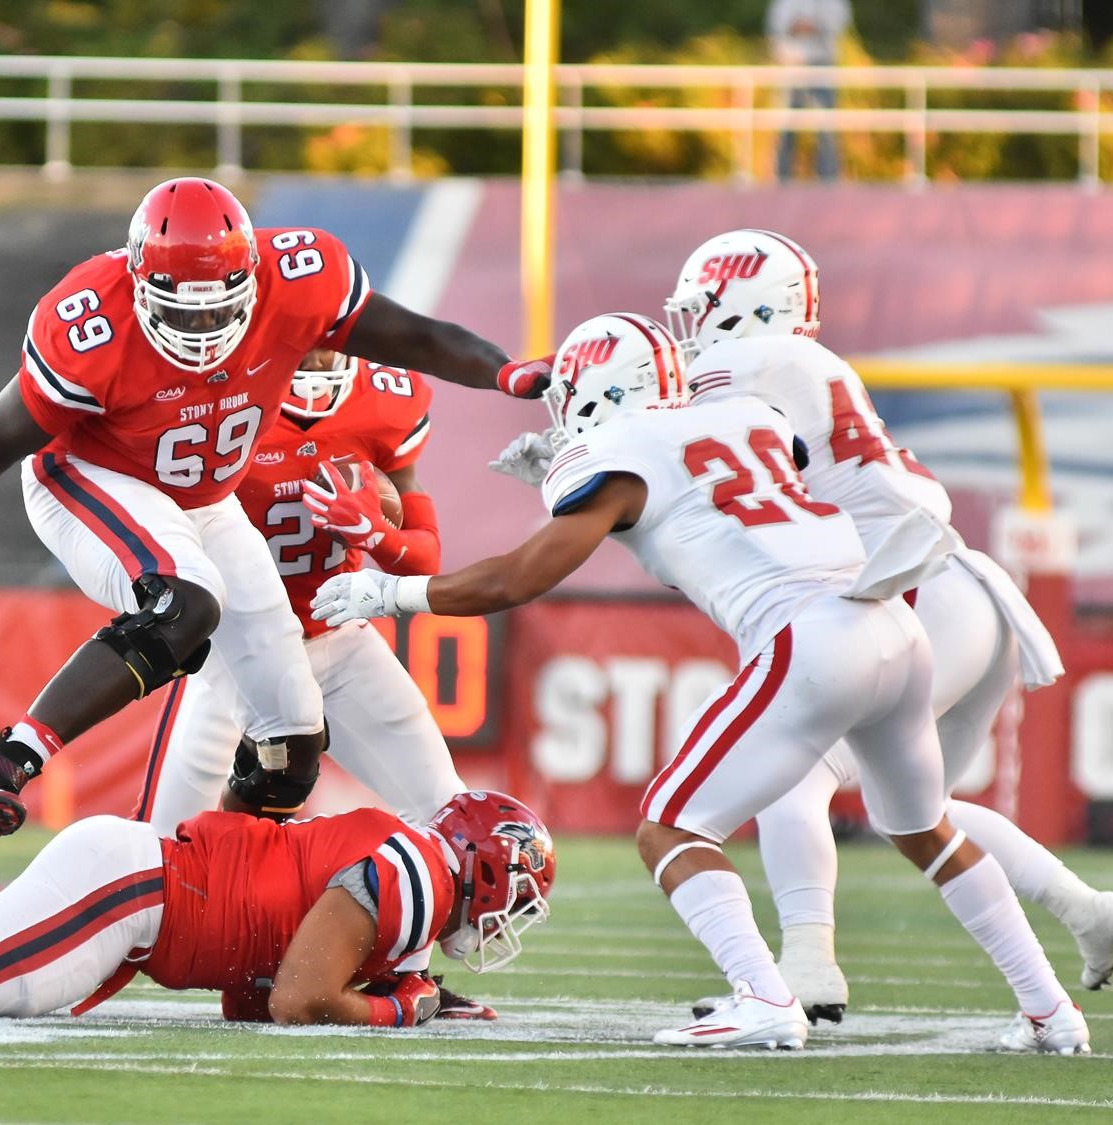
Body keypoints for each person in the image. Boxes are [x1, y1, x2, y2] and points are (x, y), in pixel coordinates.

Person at [314, 312, 1089, 1053]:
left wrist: (393, 594)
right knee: (926, 829)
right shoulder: (748, 418)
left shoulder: (618, 453)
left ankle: (762, 997)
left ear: (599, 393)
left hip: (813, 636)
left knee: (669, 825)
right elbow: (699, 511)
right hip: (892, 622)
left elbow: (517, 578)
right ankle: (1053, 1014)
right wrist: (567, 475)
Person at [0, 176, 532, 842]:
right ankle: (1, 766)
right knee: (185, 606)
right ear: (137, 284)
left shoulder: (303, 279)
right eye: (180, 308)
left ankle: (235, 895)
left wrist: (505, 371)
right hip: (89, 474)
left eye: (220, 306)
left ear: (253, 280)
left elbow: (420, 337)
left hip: (205, 499)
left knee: (290, 745)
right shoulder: (89, 324)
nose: (200, 328)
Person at [0, 790, 553, 1025]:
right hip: (141, 893)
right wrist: (396, 1010)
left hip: (144, 901)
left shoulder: (404, 877)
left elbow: (249, 997)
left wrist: (399, 988)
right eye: (517, 888)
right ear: (482, 861)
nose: (511, 912)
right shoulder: (416, 876)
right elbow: (295, 1001)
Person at [135, 348, 461, 832]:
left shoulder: (385, 401)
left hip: (340, 636)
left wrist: (374, 532)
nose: (318, 342)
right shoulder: (217, 399)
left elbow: (424, 559)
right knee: (166, 838)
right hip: (237, 646)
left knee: (448, 810)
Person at [767, 0, 849, 182]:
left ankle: (828, 179)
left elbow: (837, 23)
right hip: (791, 64)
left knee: (826, 126)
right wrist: (800, 27)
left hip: (822, 62)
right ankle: (782, 177)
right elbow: (777, 23)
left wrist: (812, 26)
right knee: (786, 125)